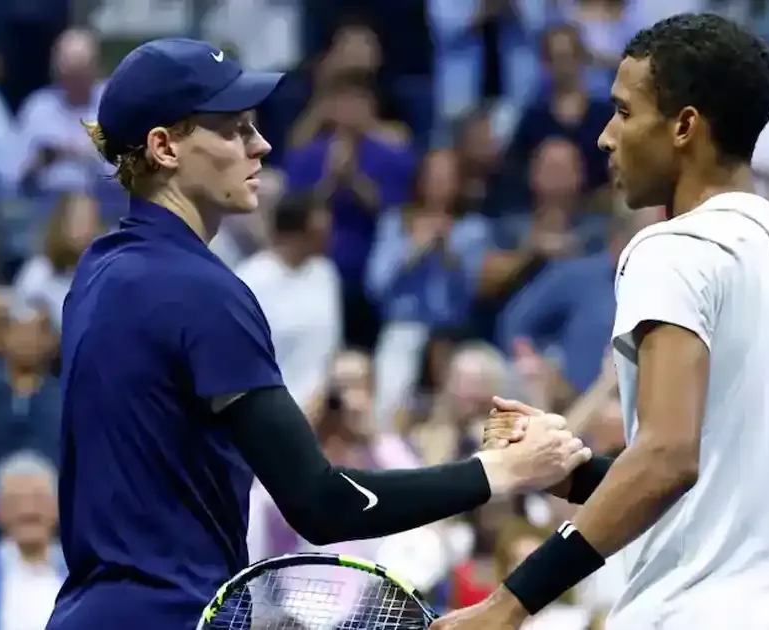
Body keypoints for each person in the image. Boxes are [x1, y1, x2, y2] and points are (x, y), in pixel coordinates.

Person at [44, 38, 591, 630]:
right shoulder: (200, 290)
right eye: (234, 129)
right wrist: (500, 471)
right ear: (164, 146)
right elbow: (320, 502)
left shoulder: (95, 272)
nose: (261, 143)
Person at [434, 13, 769, 630]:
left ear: (684, 126)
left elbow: (666, 459)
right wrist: (572, 473)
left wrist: (509, 603)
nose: (605, 137)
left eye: (623, 112)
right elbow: (717, 490)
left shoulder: (675, 248)